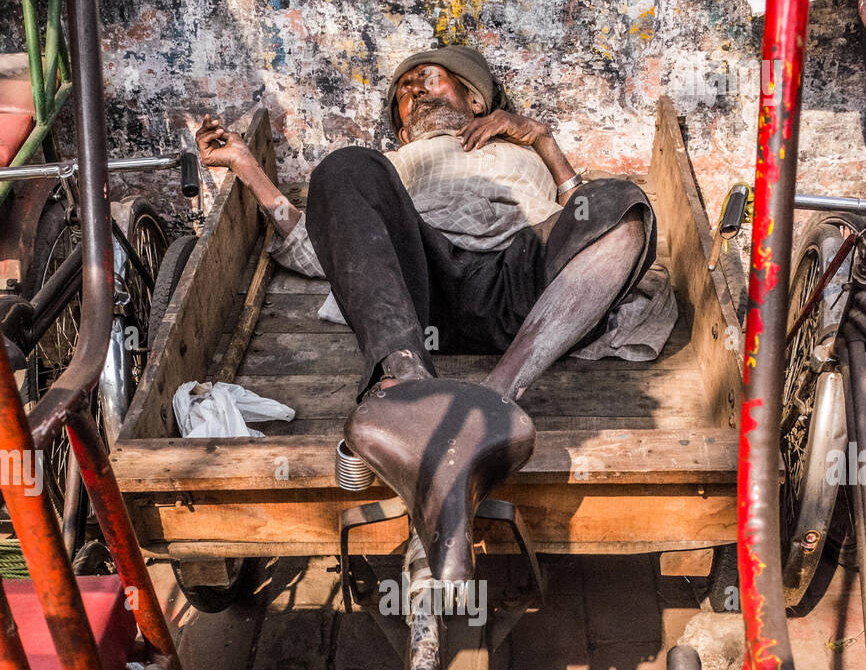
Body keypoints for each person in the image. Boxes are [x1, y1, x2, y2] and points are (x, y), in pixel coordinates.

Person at [195, 44, 676, 404]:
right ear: (404, 130)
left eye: (428, 79)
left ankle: (500, 392)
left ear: (475, 102)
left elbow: (583, 220)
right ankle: (406, 378)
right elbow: (320, 247)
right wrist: (244, 164)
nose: (416, 92)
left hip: (524, 287)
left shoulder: (524, 149)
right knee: (343, 166)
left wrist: (545, 142)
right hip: (427, 284)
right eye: (405, 94)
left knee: (621, 202)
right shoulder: (397, 160)